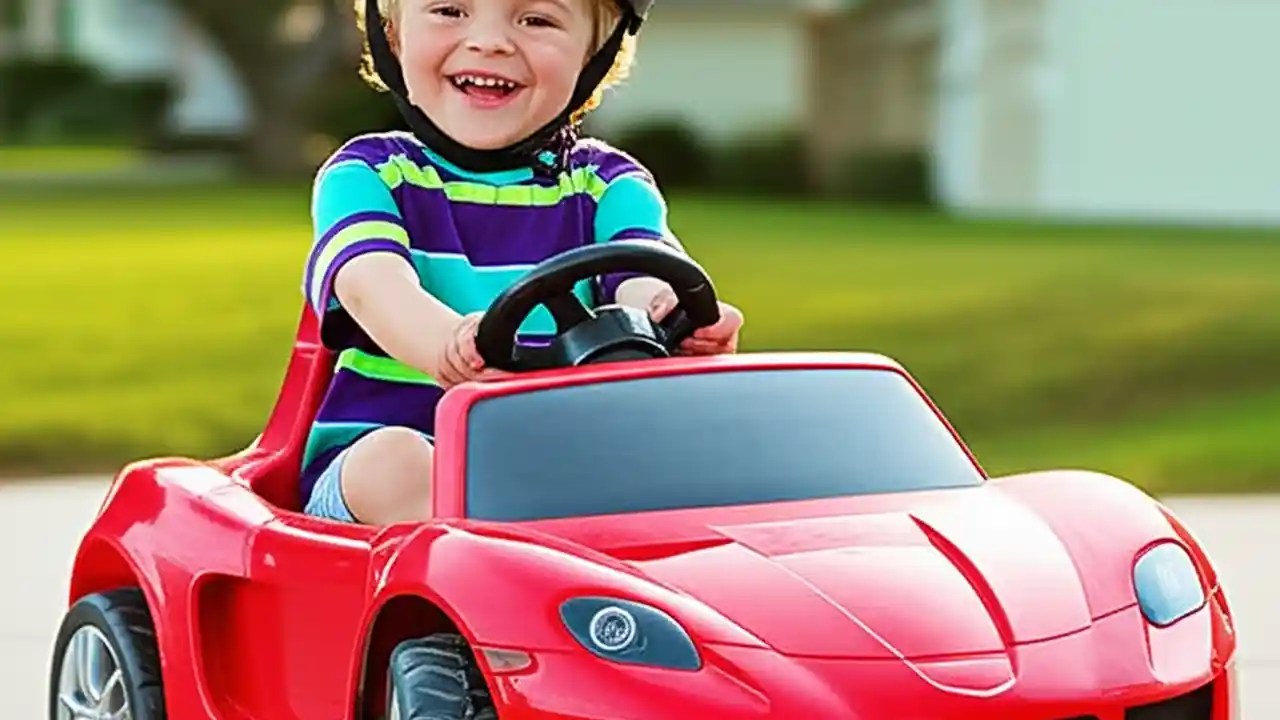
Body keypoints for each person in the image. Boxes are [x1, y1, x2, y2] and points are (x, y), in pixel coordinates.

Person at [299, 0, 744, 525]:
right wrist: (445, 343)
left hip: (561, 472)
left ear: (594, 56)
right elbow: (371, 285)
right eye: (449, 10)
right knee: (393, 464)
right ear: (392, 35)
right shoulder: (370, 175)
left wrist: (671, 316)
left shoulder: (607, 186)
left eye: (536, 20)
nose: (490, 42)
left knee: (729, 458)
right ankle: (499, 574)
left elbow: (642, 274)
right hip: (384, 473)